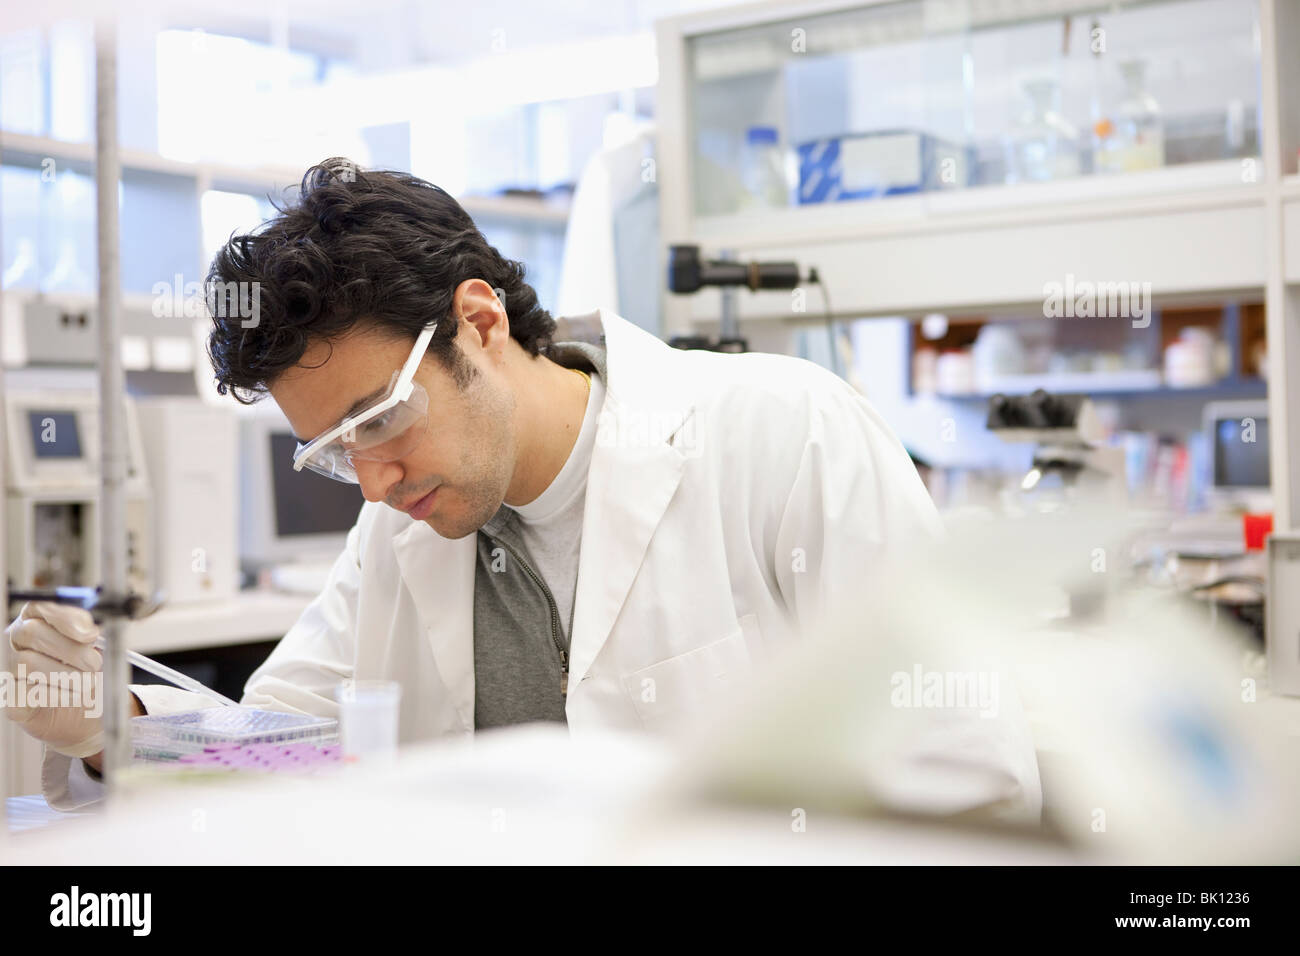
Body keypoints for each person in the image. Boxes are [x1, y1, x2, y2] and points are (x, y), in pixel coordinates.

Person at [6, 159, 1040, 817]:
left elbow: (968, 768)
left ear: (480, 321)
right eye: (331, 452)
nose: (369, 483)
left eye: (377, 421)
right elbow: (296, 752)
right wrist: (116, 719)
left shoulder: (784, 432)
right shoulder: (403, 525)